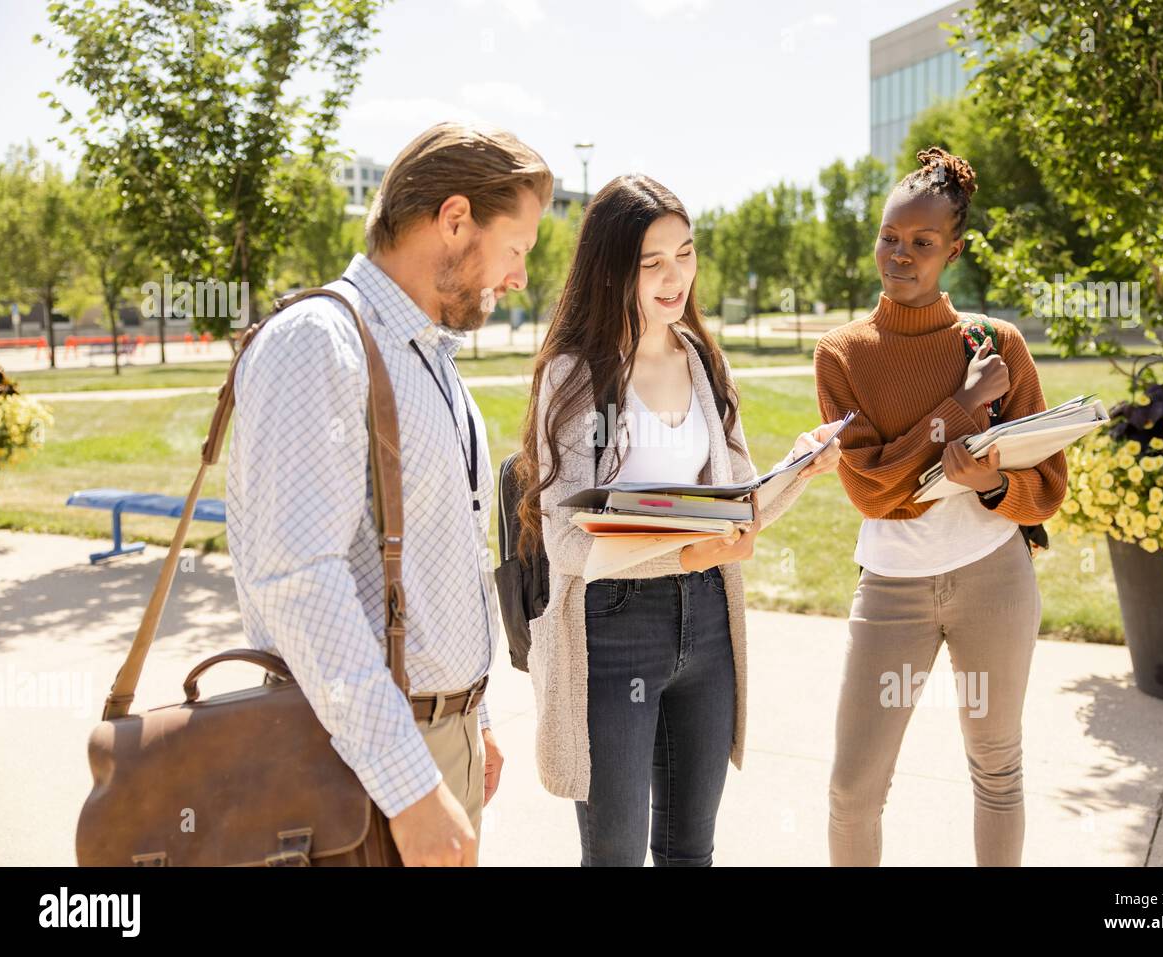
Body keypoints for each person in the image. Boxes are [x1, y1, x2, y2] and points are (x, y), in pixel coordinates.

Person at [226, 121, 553, 866]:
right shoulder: (320, 341)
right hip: (365, 761)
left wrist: (475, 711)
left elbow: (442, 560)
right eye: (517, 249)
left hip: (440, 737)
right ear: (455, 220)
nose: (519, 277)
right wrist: (410, 785)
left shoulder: (430, 358)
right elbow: (297, 581)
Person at [516, 173, 843, 866]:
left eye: (686, 253)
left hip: (709, 622)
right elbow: (568, 544)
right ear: (611, 270)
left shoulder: (701, 360)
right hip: (609, 629)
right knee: (616, 854)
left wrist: (798, 465)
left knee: (691, 848)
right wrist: (684, 555)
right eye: (652, 261)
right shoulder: (574, 375)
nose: (676, 277)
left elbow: (734, 508)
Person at [814, 147, 1068, 866]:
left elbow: (1048, 481)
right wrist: (958, 409)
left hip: (994, 576)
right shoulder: (843, 353)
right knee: (853, 790)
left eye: (922, 243)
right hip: (891, 586)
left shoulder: (998, 345)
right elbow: (868, 488)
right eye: (890, 236)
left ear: (952, 251)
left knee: (996, 768)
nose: (901, 254)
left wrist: (992, 486)